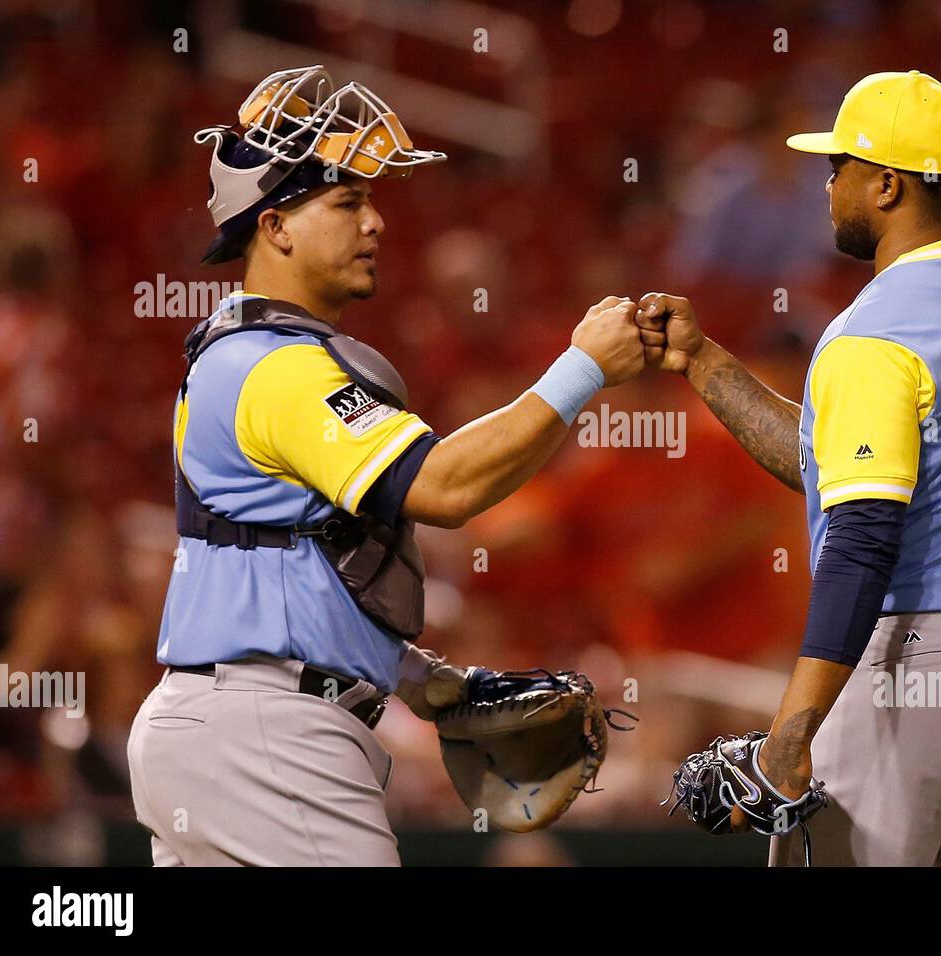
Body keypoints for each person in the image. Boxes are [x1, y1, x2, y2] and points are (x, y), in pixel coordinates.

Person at [126, 66, 644, 866]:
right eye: (347, 202)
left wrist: (417, 680)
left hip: (224, 729)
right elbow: (445, 487)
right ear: (276, 227)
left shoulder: (250, 355)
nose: (375, 224)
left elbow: (298, 566)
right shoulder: (274, 367)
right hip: (269, 740)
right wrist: (582, 369)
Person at [639, 71, 941, 865]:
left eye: (839, 164)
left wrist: (791, 731)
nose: (827, 181)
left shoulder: (874, 333)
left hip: (923, 663)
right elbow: (837, 461)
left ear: (886, 184)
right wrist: (702, 361)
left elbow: (863, 537)